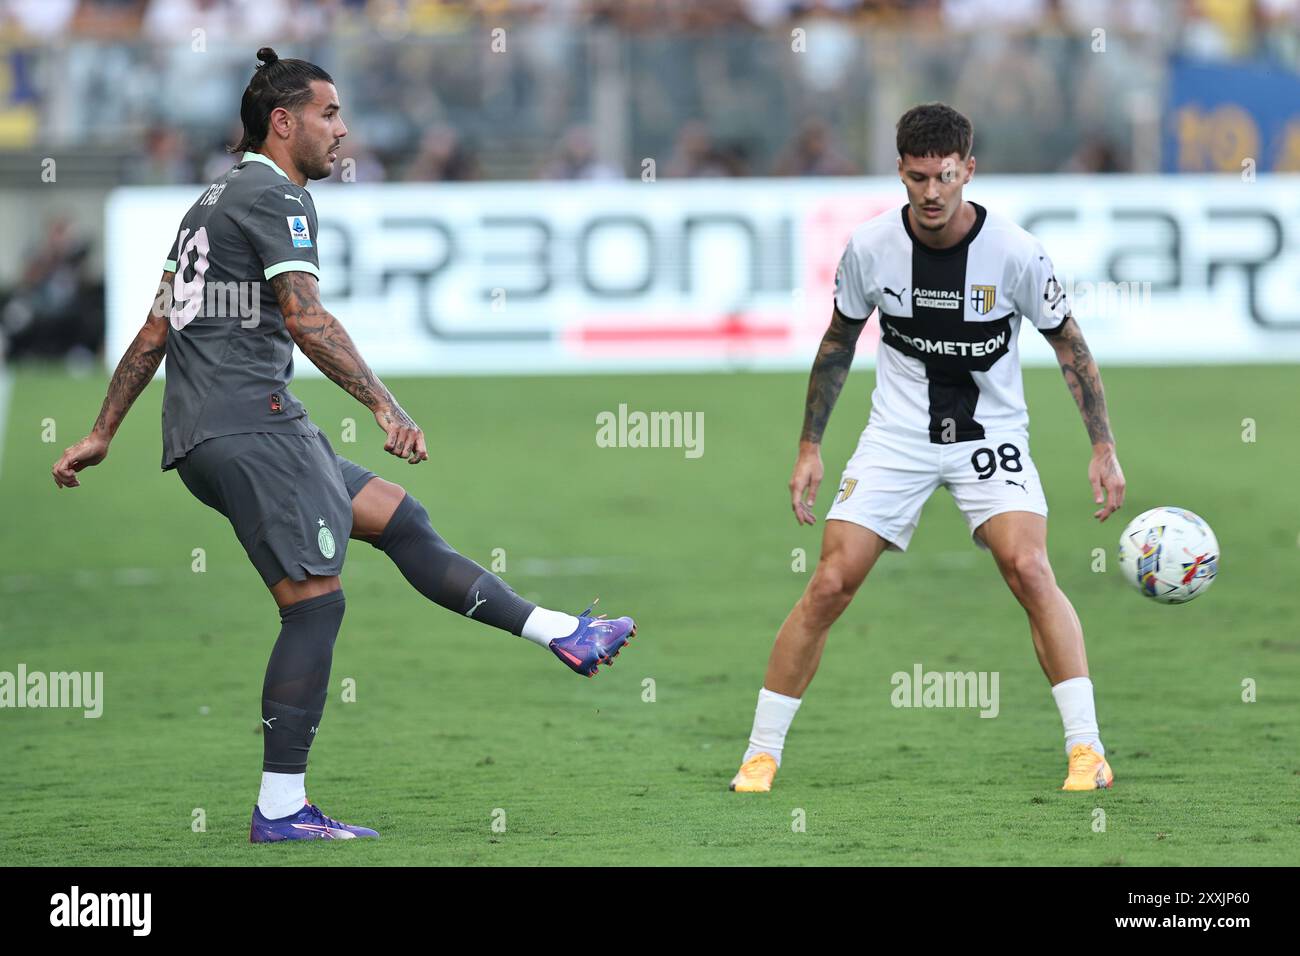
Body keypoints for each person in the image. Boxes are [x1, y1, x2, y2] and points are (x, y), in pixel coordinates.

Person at [52, 48, 636, 843]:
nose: (343, 129)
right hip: (249, 426)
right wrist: (386, 405)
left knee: (398, 518)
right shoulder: (276, 197)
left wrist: (102, 431)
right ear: (283, 122)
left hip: (226, 426)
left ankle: (559, 631)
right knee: (314, 609)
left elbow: (158, 328)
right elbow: (306, 317)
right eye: (329, 114)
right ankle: (283, 809)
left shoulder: (210, 200)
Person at [729, 102, 1125, 795]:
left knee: (1029, 567)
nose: (932, 193)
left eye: (945, 176)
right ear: (900, 173)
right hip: (897, 440)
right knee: (828, 583)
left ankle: (1087, 750)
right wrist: (809, 447)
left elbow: (1071, 345)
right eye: (918, 178)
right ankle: (761, 755)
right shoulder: (871, 248)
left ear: (969, 170)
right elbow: (837, 344)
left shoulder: (1017, 253)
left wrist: (1103, 447)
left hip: (990, 439)